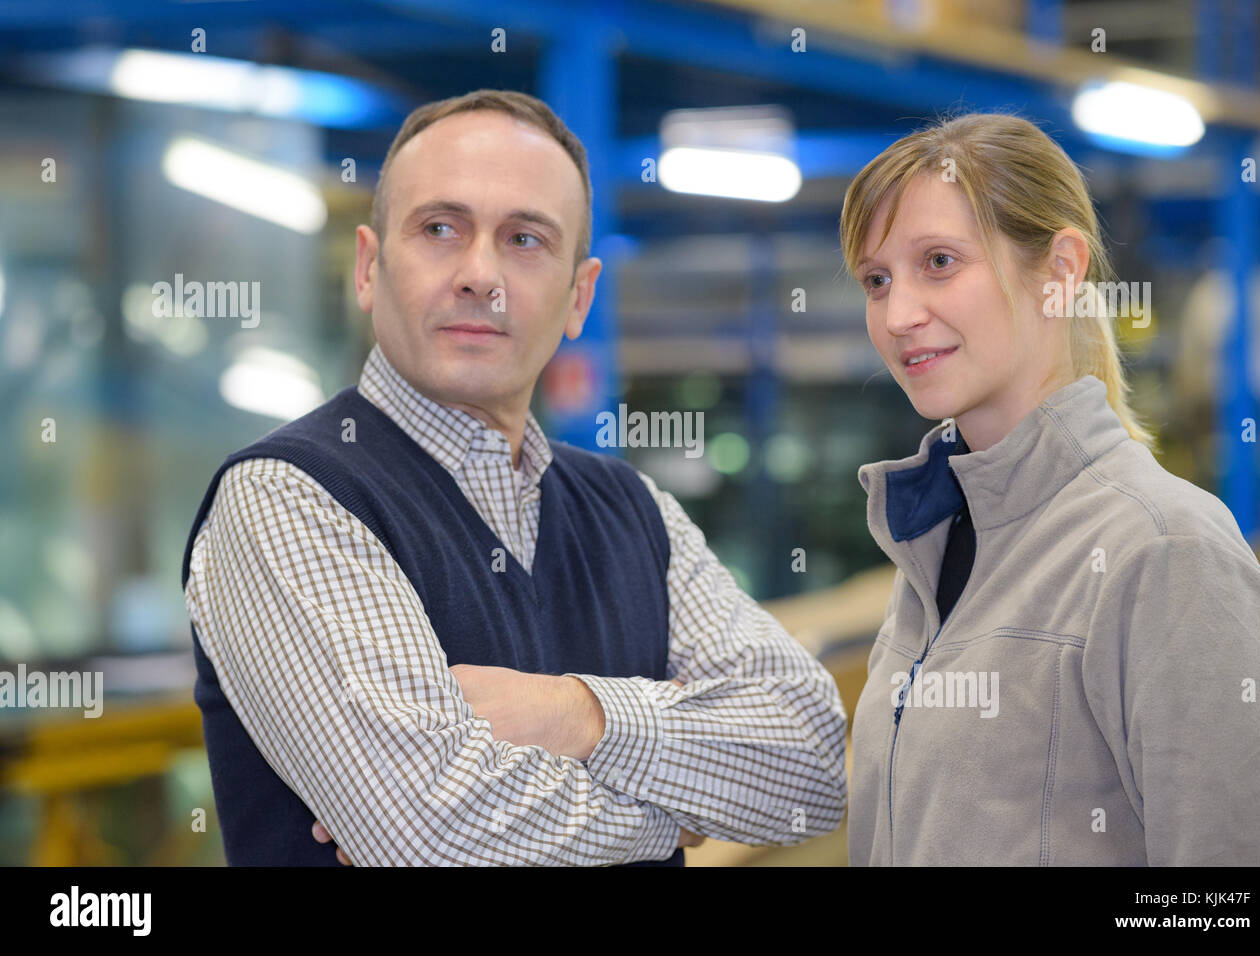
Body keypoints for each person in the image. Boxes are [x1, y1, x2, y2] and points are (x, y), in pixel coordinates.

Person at [181, 89, 846, 866]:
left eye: (525, 239)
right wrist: (679, 816)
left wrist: (582, 715)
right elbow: (429, 832)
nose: (480, 275)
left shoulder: (636, 514)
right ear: (368, 267)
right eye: (439, 229)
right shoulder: (287, 497)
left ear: (579, 295)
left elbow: (813, 763)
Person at [839, 112, 1260, 865]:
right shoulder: (937, 554)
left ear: (1060, 272)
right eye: (877, 279)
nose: (898, 315)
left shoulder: (1165, 552)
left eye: (941, 262)